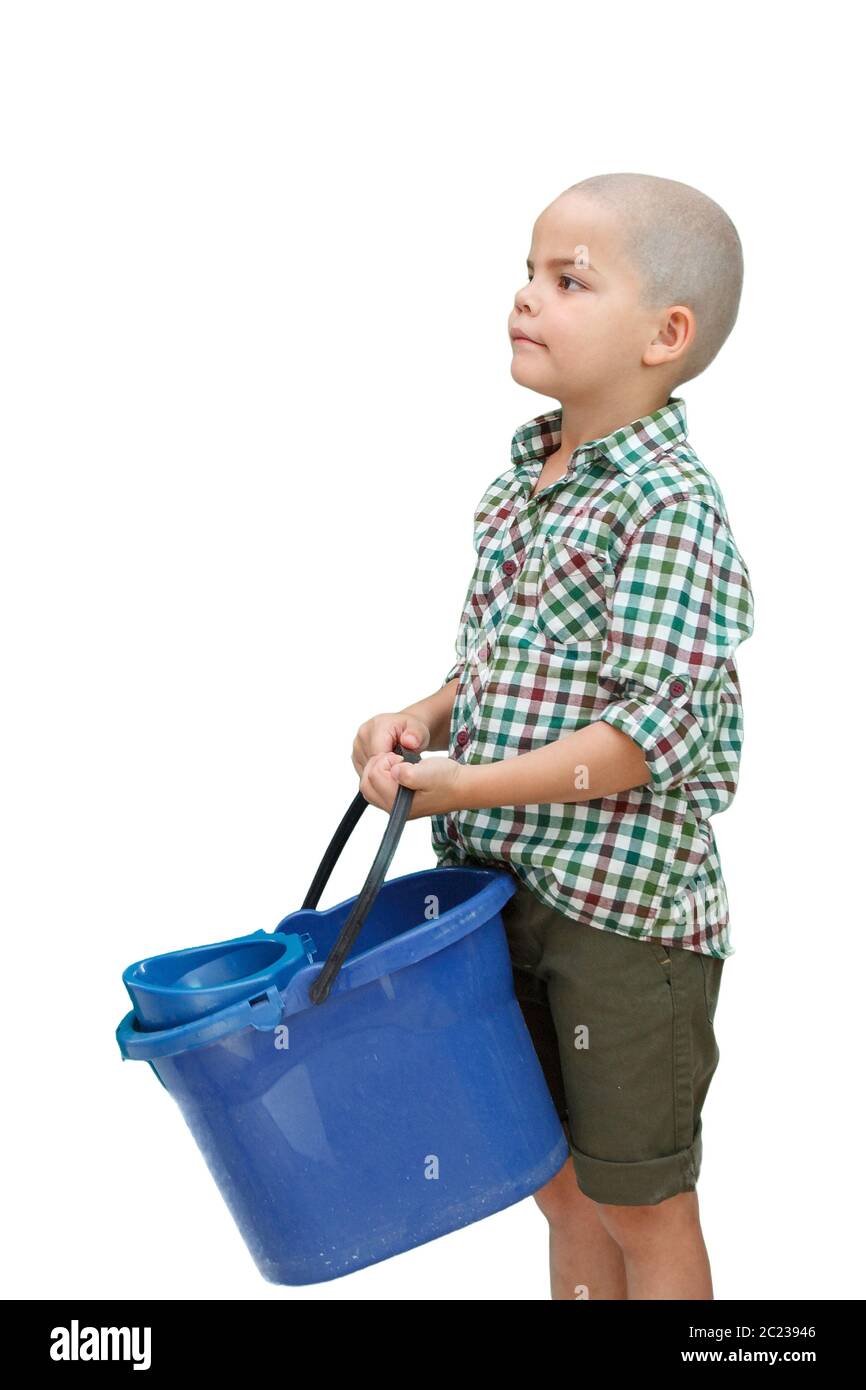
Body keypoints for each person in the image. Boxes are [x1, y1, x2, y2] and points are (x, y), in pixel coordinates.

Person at [352, 172, 755, 1300]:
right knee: (555, 1181)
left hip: (620, 921)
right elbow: (505, 666)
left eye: (567, 280)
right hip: (502, 892)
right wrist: (424, 718)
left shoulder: (666, 504)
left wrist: (462, 786)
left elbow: (644, 734)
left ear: (662, 335)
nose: (525, 297)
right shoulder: (523, 484)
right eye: (528, 272)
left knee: (639, 1196)